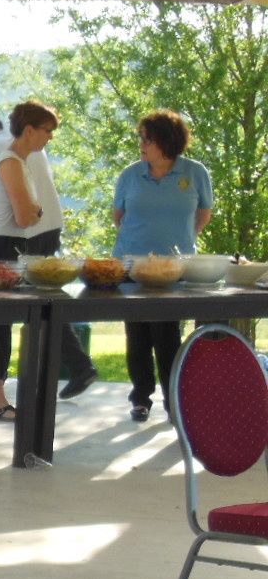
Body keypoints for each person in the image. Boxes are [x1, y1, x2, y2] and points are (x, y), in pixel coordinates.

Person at [0, 105, 97, 402]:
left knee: (6, 310)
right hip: (40, 231)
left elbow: (11, 205)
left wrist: (30, 212)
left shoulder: (3, 149)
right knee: (18, 307)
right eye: (48, 131)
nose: (49, 138)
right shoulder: (16, 148)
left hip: (20, 236)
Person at [113, 109, 213, 422]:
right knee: (137, 335)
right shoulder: (130, 174)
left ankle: (174, 403)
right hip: (131, 266)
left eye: (148, 139)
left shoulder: (195, 172)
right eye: (141, 138)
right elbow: (119, 216)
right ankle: (140, 398)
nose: (141, 144)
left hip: (173, 270)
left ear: (167, 141)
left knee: (167, 333)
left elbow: (203, 214)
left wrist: (179, 242)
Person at [0, 101, 61, 421]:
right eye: (47, 131)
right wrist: (36, 208)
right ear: (29, 130)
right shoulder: (10, 161)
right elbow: (25, 216)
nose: (50, 138)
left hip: (11, 247)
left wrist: (35, 208)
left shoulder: (22, 161)